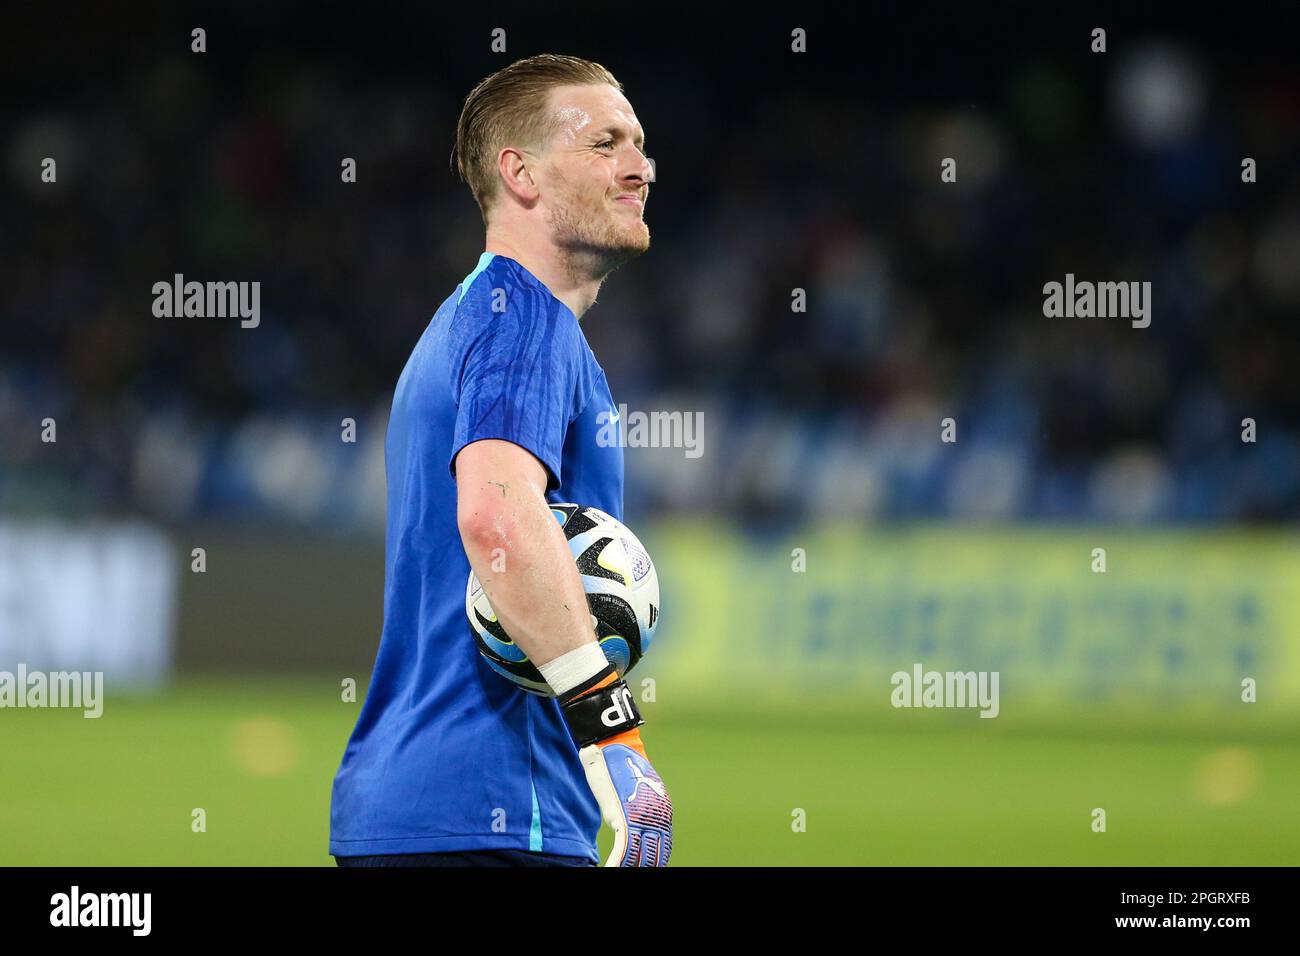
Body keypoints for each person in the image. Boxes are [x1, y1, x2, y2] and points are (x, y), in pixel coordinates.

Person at [329, 54, 671, 867]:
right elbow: (497, 517)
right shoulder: (522, 316)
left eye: (641, 144)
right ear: (519, 173)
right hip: (491, 814)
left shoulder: (477, 318)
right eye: (605, 144)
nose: (640, 168)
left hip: (422, 812)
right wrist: (611, 730)